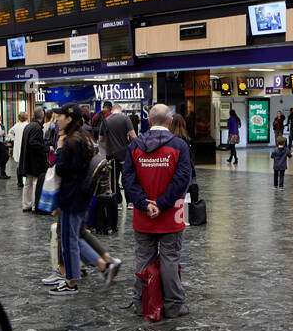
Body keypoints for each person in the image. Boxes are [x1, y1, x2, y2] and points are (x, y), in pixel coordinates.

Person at [123, 104, 193, 318]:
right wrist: (161, 204)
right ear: (170, 122)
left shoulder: (135, 146)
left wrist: (146, 204)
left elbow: (128, 180)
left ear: (150, 121)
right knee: (170, 258)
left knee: (143, 258)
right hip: (171, 214)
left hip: (143, 216)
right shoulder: (179, 146)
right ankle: (173, 305)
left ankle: (142, 302)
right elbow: (182, 180)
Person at [47, 105, 106, 296]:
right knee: (72, 237)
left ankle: (71, 282)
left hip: (72, 195)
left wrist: (59, 149)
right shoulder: (84, 138)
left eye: (61, 116)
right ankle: (97, 266)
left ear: (70, 118)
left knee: (69, 239)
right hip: (79, 195)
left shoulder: (72, 141)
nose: (57, 119)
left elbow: (62, 168)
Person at [20, 111, 49, 212]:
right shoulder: (37, 128)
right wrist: (46, 148)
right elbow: (34, 143)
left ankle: (26, 204)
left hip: (27, 159)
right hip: (35, 160)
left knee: (28, 182)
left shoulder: (29, 126)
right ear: (42, 116)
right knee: (36, 182)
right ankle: (34, 205)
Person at [7, 112, 29, 185]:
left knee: (19, 165)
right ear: (26, 117)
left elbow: (9, 133)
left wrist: (14, 139)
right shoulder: (27, 125)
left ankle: (19, 182)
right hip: (26, 146)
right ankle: (25, 181)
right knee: (26, 164)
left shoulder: (16, 126)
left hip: (17, 147)